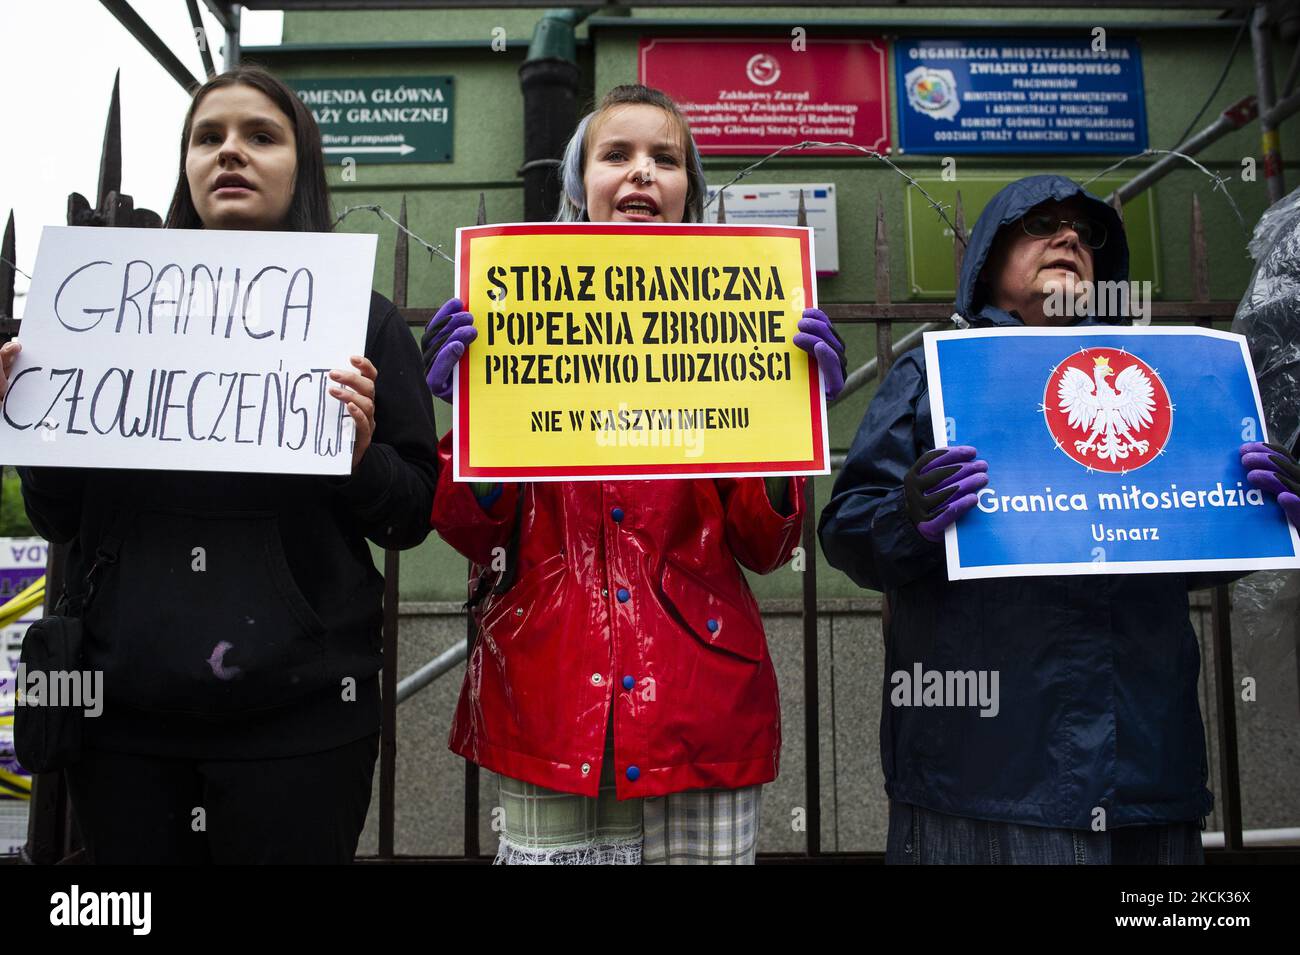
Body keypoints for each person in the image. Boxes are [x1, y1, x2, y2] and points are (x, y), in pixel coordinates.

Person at [0, 65, 438, 864]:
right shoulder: (104, 312)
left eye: (260, 137)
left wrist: (359, 457)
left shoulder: (364, 321)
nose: (230, 153)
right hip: (123, 721)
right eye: (209, 138)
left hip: (304, 726)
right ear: (187, 166)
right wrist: (39, 426)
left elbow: (411, 513)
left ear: (301, 164)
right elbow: (58, 517)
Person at [422, 85, 846, 864]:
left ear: (691, 195)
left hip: (700, 698)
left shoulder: (738, 323)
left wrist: (793, 422)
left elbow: (760, 544)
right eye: (616, 155)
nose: (642, 173)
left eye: (666, 159)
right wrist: (470, 415)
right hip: (554, 695)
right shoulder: (514, 311)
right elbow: (469, 530)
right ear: (580, 189)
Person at [818, 174, 1288, 865]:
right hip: (978, 781)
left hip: (1146, 773)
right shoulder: (928, 375)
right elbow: (847, 531)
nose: (1070, 237)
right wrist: (904, 515)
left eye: (1086, 233)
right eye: (1040, 225)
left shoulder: (1165, 379)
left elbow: (1182, 547)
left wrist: (1264, 514)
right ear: (987, 260)